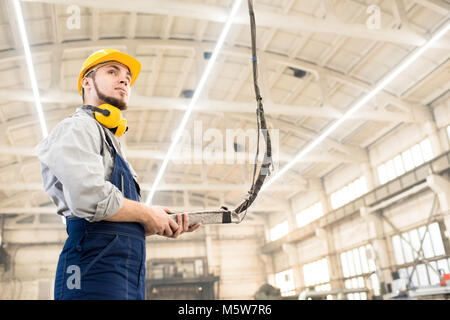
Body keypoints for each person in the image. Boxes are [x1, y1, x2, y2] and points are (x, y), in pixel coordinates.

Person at [36, 49, 201, 300]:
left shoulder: (112, 142)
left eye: (127, 76)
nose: (124, 79)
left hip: (128, 275)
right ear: (86, 82)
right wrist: (147, 213)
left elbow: (112, 216)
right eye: (112, 71)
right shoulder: (77, 128)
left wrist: (156, 222)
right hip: (90, 273)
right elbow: (89, 198)